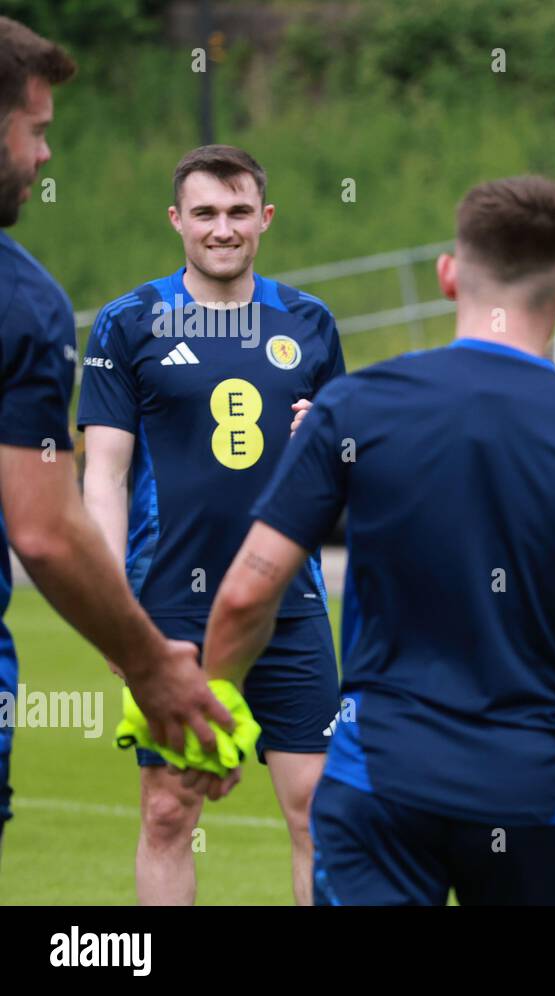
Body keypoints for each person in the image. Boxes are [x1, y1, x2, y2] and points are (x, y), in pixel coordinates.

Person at [201, 175, 555, 906]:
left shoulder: (352, 407)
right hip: (538, 795)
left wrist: (214, 710)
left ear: (449, 276)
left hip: (380, 785)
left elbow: (247, 591)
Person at [77, 144, 344, 905]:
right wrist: (112, 613)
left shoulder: (310, 322)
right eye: (205, 213)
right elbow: (104, 476)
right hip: (171, 611)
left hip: (288, 605)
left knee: (320, 813)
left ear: (264, 218)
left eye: (237, 212)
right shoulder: (130, 324)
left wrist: (325, 443)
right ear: (176, 221)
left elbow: (350, 470)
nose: (222, 229)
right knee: (169, 811)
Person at [0, 17, 230, 864]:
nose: (45, 158)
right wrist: (151, 664)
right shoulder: (23, 304)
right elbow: (45, 530)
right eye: (37, 131)